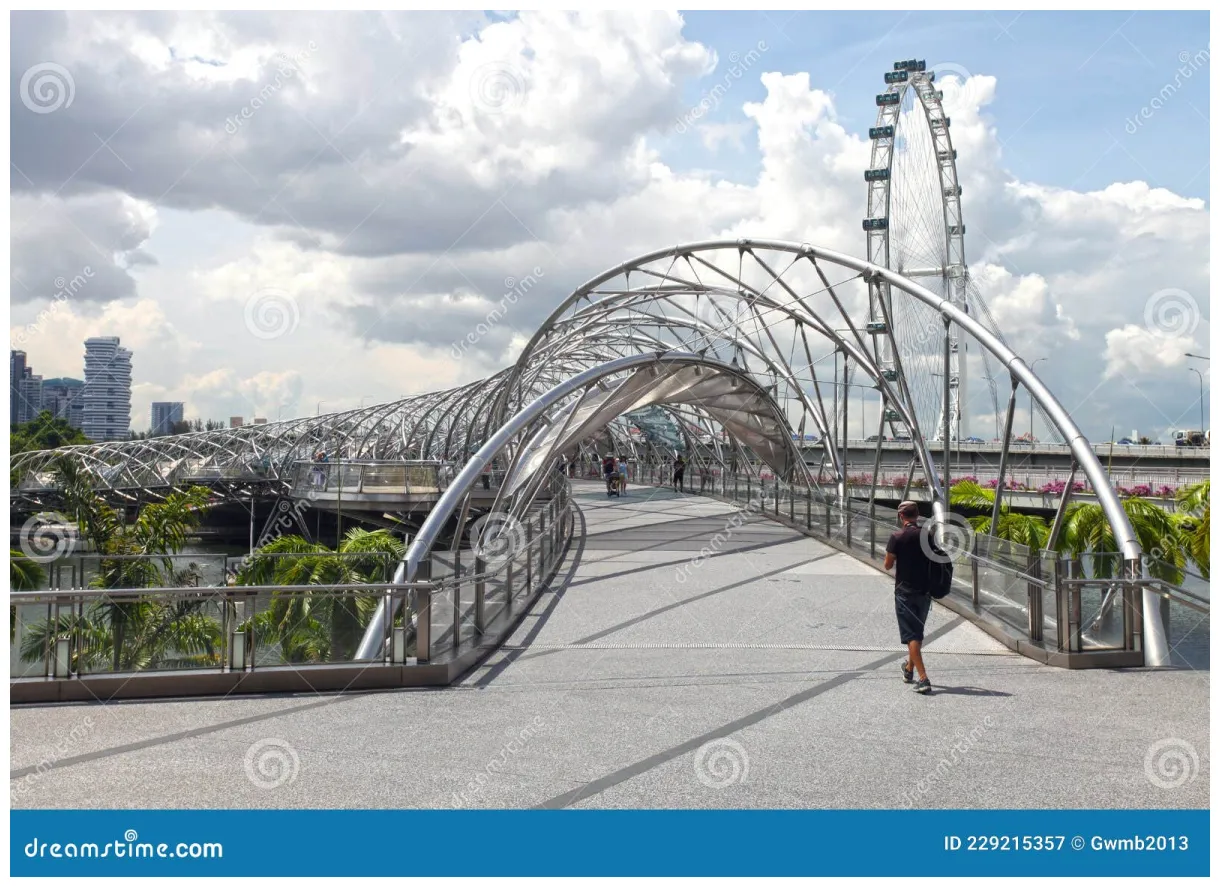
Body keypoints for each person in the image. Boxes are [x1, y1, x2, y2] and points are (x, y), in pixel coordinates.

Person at [884, 501, 934, 694]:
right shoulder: (928, 535)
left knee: (911, 635)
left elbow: (888, 565)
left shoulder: (897, 537)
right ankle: (909, 669)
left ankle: (924, 679)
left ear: (901, 516)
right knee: (917, 632)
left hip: (905, 592)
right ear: (918, 514)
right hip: (925, 591)